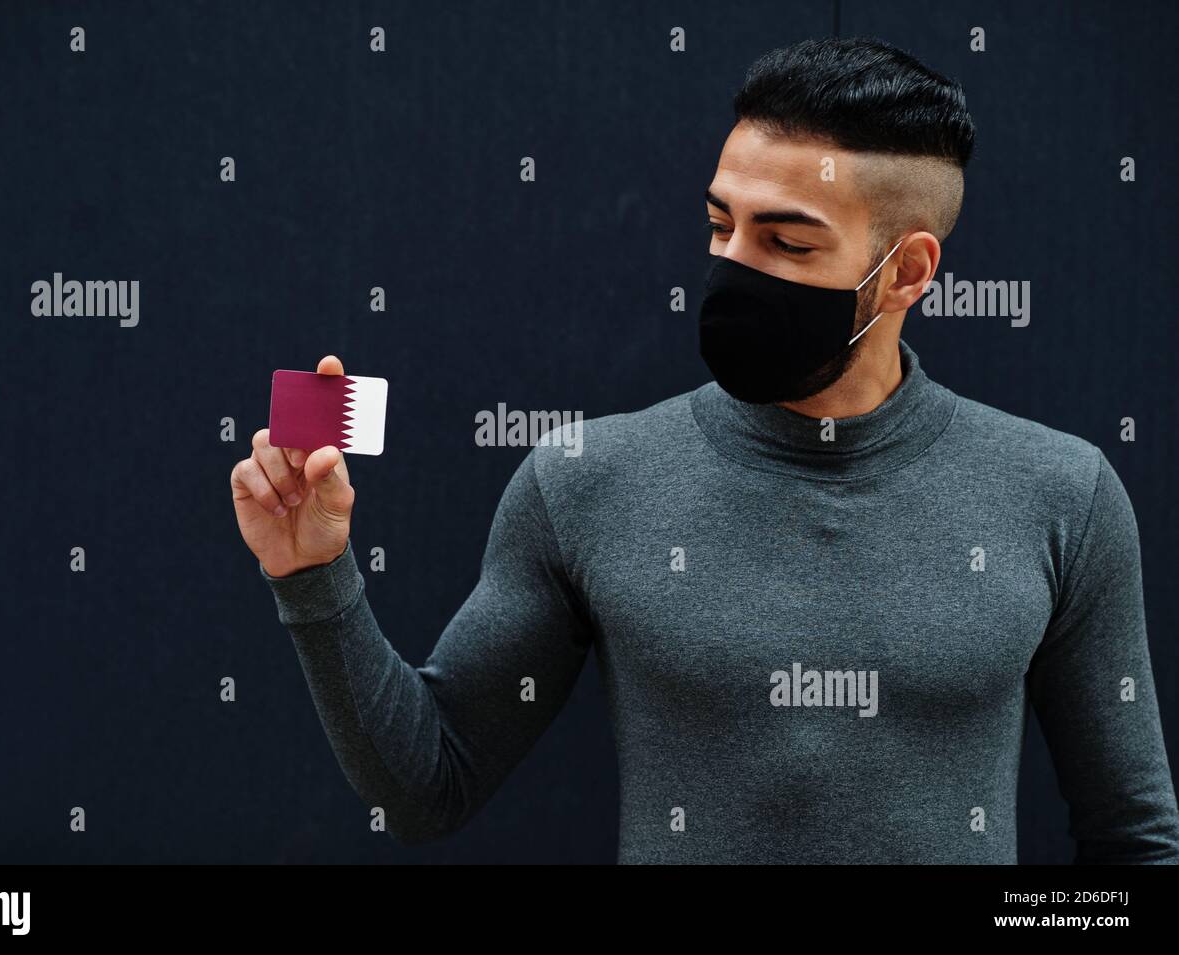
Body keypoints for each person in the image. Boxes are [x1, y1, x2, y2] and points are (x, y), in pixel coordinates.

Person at [230, 37, 1179, 863]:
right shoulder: (583, 482)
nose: (735, 266)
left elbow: (1132, 841)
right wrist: (314, 572)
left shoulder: (1061, 493)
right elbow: (427, 788)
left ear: (908, 273)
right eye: (723, 224)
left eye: (788, 241)